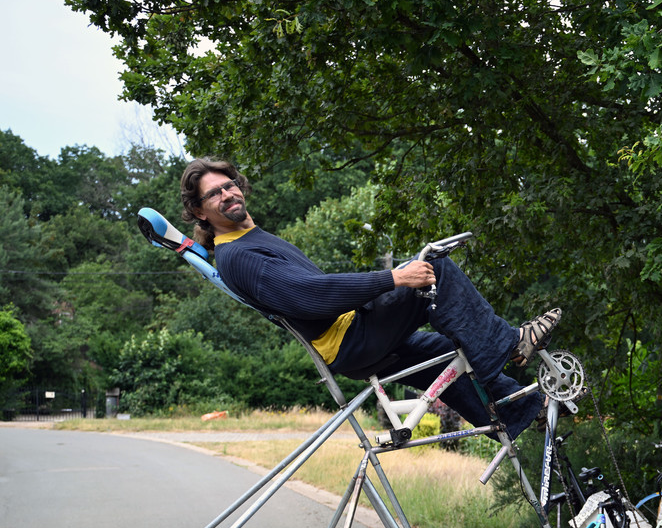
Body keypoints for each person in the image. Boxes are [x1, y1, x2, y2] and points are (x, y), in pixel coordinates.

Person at [180, 156, 558, 438]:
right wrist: (394, 277)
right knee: (435, 270)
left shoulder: (248, 239)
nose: (227, 194)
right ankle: (510, 345)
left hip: (354, 340)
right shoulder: (238, 256)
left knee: (444, 351)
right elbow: (311, 296)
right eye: (214, 194)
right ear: (199, 211)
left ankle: (521, 411)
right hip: (350, 338)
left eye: (229, 184)